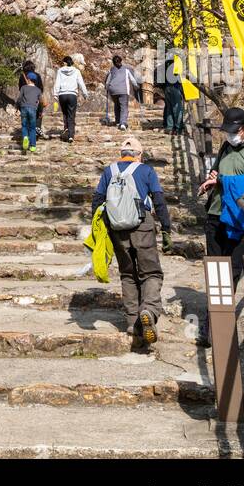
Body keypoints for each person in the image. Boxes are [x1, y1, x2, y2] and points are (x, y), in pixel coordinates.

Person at [91, 137, 172, 347]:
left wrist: (102, 230)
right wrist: (166, 228)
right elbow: (158, 199)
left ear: (121, 154)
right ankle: (149, 310)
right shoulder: (146, 171)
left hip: (116, 228)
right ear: (139, 154)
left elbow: (97, 200)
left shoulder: (109, 171)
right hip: (142, 224)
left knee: (127, 273)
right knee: (151, 272)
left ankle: (131, 321)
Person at [198, 107, 244, 289]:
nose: (230, 135)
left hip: (239, 218)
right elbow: (215, 172)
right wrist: (210, 181)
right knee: (215, 270)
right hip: (216, 212)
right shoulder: (225, 148)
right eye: (227, 132)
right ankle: (214, 315)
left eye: (233, 131)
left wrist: (220, 180)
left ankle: (226, 316)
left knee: (232, 270)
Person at [53, 56, 89, 142]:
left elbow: (57, 83)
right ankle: (70, 135)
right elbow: (81, 83)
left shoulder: (60, 71)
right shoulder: (76, 71)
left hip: (62, 95)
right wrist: (85, 94)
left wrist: (55, 94)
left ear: (64, 62)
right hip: (72, 95)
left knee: (65, 113)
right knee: (71, 115)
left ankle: (66, 129)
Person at [104, 54, 141, 131]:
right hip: (123, 90)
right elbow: (133, 80)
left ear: (113, 63)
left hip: (113, 90)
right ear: (121, 61)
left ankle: (118, 121)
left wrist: (107, 88)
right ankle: (123, 123)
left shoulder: (111, 70)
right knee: (124, 107)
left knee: (117, 105)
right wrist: (136, 86)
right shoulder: (126, 70)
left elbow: (107, 81)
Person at [17, 59, 44, 151]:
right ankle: (33, 143)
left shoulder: (22, 77)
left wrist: (18, 107)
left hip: (24, 103)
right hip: (35, 103)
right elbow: (41, 89)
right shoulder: (38, 76)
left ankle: (26, 137)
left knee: (25, 124)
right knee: (33, 124)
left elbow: (20, 90)